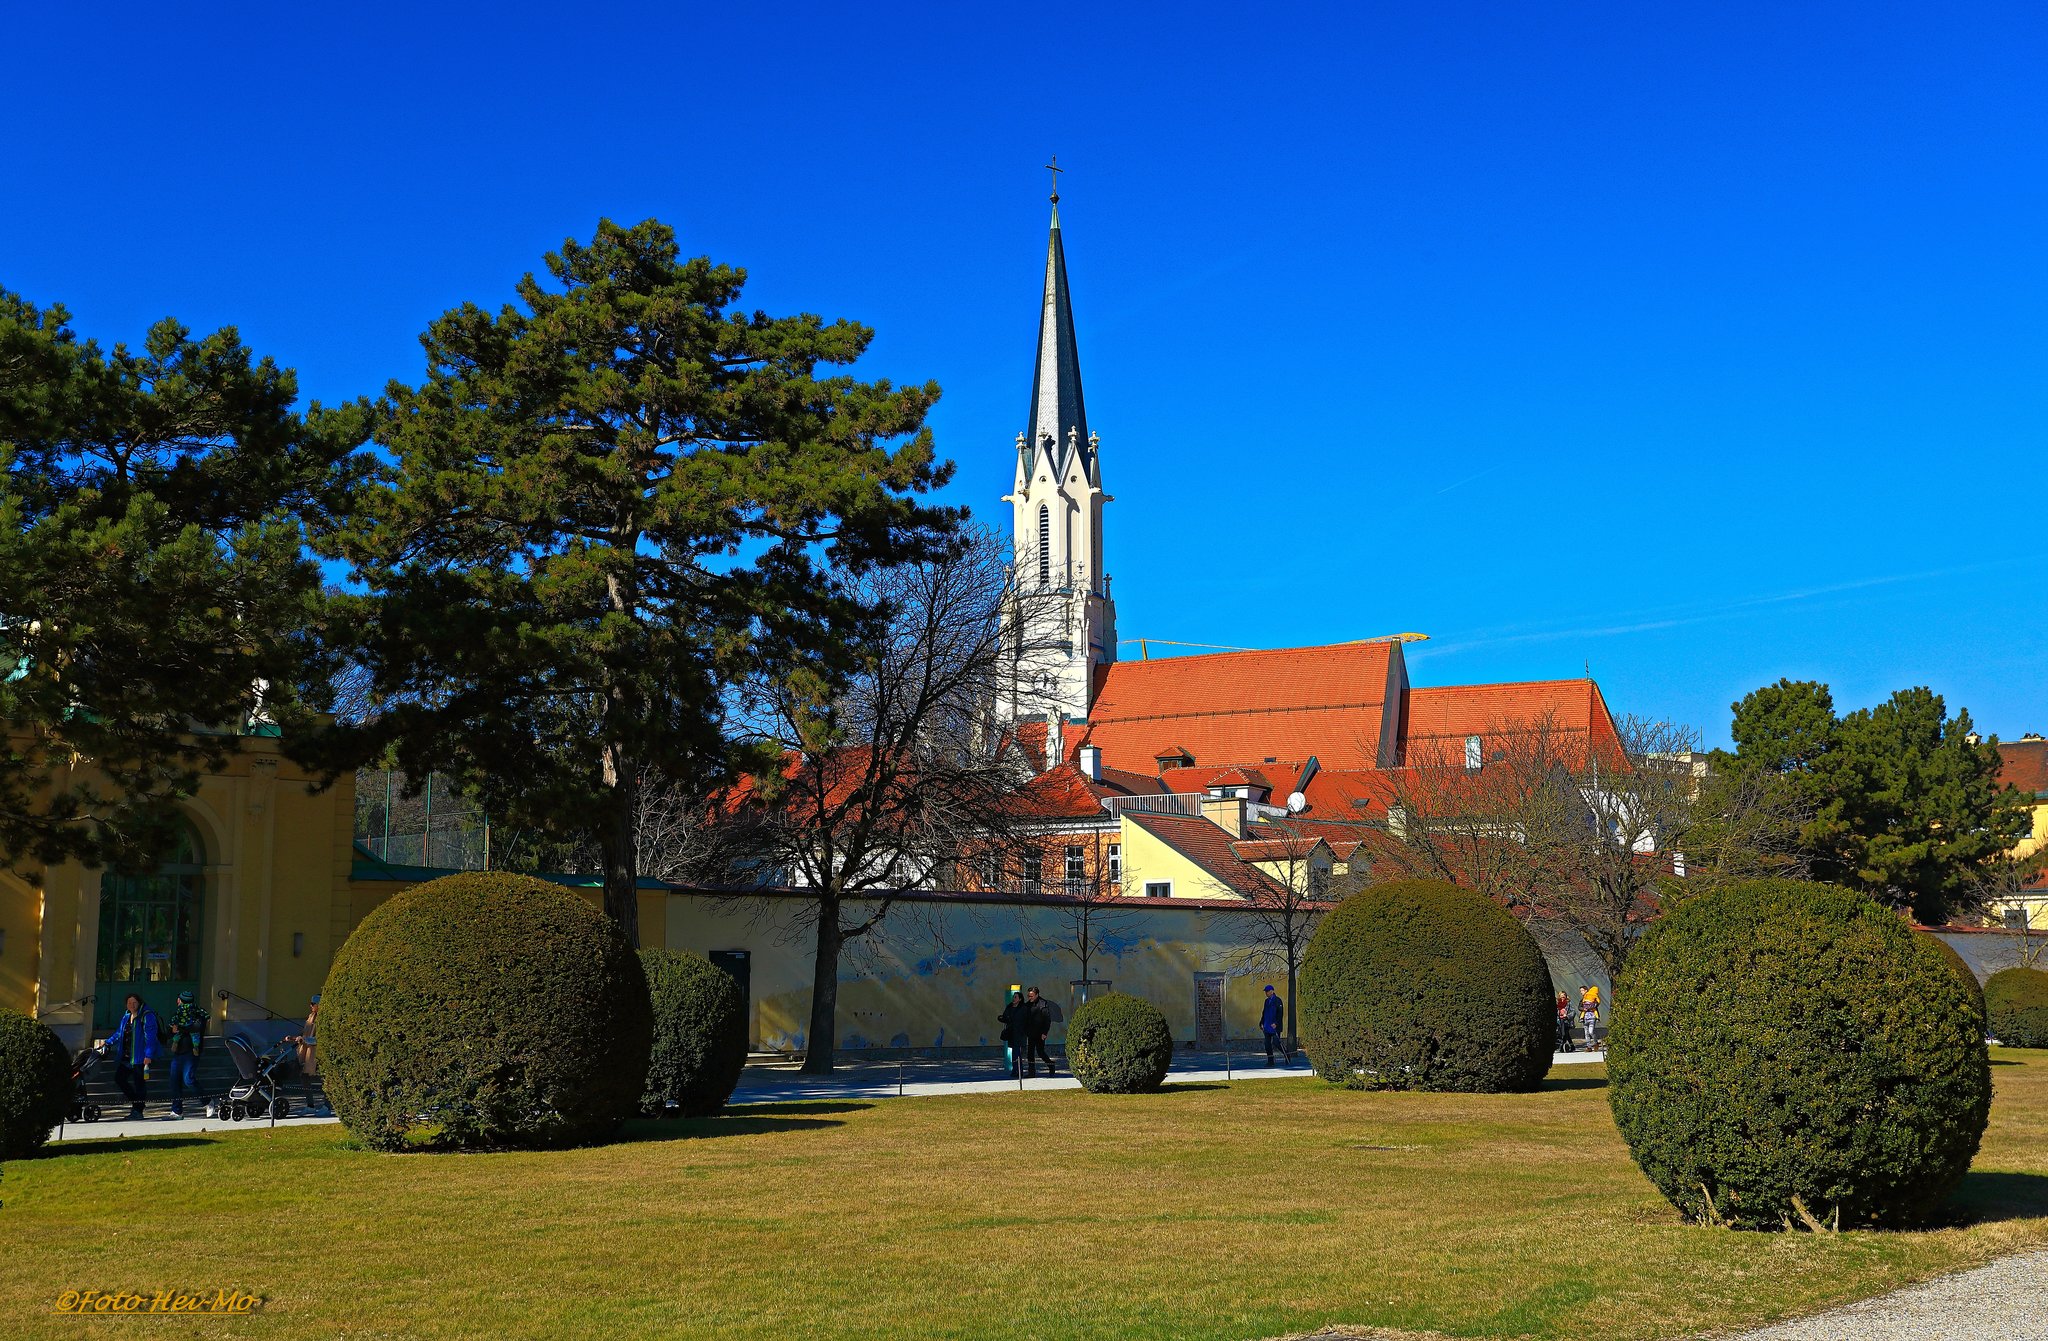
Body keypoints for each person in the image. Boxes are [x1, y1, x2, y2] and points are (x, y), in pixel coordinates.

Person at [100, 992, 162, 1120]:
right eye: (129, 1003)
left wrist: (149, 1055)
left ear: (139, 1003)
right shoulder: (127, 1016)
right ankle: (137, 1104)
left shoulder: (146, 1015)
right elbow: (119, 1033)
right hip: (127, 1056)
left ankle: (138, 1111)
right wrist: (108, 1042)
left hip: (140, 1057)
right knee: (119, 1078)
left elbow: (150, 1036)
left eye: (134, 1003)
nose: (132, 1005)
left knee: (139, 1084)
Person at [165, 988, 209, 1118]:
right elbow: (170, 1030)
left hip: (192, 1051)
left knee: (188, 1079)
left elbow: (197, 1027)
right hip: (178, 1052)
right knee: (174, 1081)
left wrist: (181, 1028)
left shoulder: (199, 1014)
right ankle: (177, 1110)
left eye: (180, 1000)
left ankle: (207, 1101)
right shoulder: (178, 1014)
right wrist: (172, 1031)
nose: (178, 1002)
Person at [281, 994, 321, 1112]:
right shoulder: (311, 1017)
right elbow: (305, 1033)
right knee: (304, 1077)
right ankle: (310, 1105)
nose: (311, 1006)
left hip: (317, 1054)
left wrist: (305, 1040)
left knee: (323, 1080)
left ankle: (327, 1106)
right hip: (307, 1054)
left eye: (313, 1004)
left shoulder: (323, 1018)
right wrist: (294, 1038)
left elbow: (320, 1038)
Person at [1023, 987, 1056, 1076]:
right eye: (1028, 996)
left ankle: (1050, 1065)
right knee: (1030, 1053)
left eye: (1031, 996)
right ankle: (1031, 1072)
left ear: (1037, 995)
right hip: (1031, 1033)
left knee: (1040, 1052)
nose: (1030, 997)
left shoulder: (1043, 1004)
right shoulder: (1027, 1005)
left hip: (1040, 1033)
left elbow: (1047, 1020)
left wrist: (1045, 1033)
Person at [998, 991, 1028, 1077]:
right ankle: (1015, 1070)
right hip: (1011, 1032)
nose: (1013, 999)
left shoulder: (1023, 1008)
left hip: (1020, 1033)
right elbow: (1005, 1017)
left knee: (1016, 1051)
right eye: (1013, 997)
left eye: (1015, 997)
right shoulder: (1009, 1007)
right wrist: (1001, 1018)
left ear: (1020, 999)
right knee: (1014, 1052)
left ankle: (1018, 1070)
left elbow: (1026, 1020)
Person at [1260, 984, 1286, 1064]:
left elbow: (1280, 1013)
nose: (1266, 993)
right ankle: (1270, 1061)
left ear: (1272, 991)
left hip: (1274, 1027)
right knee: (1267, 1045)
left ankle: (1287, 1054)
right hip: (1267, 1026)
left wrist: (1276, 1023)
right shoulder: (1266, 1001)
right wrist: (1261, 1022)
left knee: (1276, 1043)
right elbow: (1264, 1012)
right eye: (1265, 991)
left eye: (1267, 991)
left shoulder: (1278, 1000)